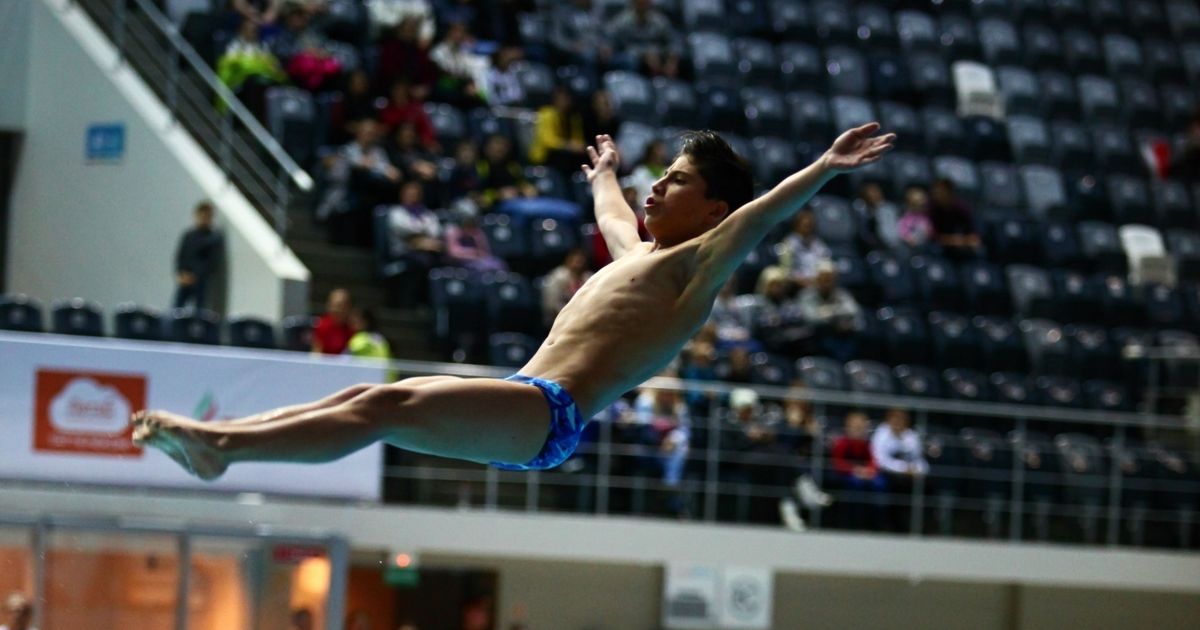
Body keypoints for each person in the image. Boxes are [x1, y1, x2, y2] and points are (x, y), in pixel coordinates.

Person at [131, 123, 895, 480]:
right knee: (372, 397)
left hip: (549, 411)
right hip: (527, 403)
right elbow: (613, 218)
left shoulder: (698, 266)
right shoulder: (644, 257)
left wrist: (823, 167)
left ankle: (221, 449)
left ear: (713, 211)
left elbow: (760, 216)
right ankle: (218, 440)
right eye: (659, 175)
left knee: (385, 408)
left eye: (679, 182)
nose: (657, 187)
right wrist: (604, 174)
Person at [317, 119, 402, 247]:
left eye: (373, 133)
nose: (370, 136)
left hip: (372, 193)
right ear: (359, 133)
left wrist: (385, 169)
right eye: (367, 132)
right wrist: (376, 167)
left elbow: (389, 170)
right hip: (346, 190)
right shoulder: (349, 149)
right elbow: (358, 164)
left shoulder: (378, 151)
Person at [870, 407, 928, 532]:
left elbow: (919, 460)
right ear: (888, 419)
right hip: (886, 473)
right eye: (895, 418)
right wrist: (904, 469)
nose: (898, 422)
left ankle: (919, 526)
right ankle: (888, 525)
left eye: (902, 419)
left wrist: (919, 470)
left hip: (907, 476)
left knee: (925, 485)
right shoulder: (881, 434)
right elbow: (881, 461)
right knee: (893, 486)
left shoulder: (911, 436)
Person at [798, 261, 863, 363]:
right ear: (816, 279)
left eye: (829, 279)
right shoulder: (807, 296)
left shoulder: (841, 294)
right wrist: (836, 320)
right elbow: (811, 318)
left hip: (841, 336)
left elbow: (852, 311)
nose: (826, 282)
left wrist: (827, 311)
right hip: (819, 337)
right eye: (823, 278)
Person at [831, 410, 886, 530]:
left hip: (865, 474)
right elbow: (838, 463)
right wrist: (855, 470)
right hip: (848, 475)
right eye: (855, 427)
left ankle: (877, 521)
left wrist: (869, 471)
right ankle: (854, 521)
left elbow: (874, 462)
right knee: (856, 484)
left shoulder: (867, 444)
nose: (858, 430)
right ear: (848, 427)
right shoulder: (842, 443)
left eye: (861, 427)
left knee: (880, 483)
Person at [607, 0, 682, 78]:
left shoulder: (660, 21)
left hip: (658, 58)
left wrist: (672, 60)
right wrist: (645, 55)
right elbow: (620, 46)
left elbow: (674, 42)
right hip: (633, 59)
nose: (642, 3)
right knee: (628, 60)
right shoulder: (622, 22)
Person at [173, 201, 225, 310]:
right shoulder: (189, 236)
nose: (203, 219)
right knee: (176, 310)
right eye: (201, 216)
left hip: (201, 282)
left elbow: (212, 263)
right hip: (185, 280)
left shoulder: (213, 239)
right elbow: (181, 256)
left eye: (206, 216)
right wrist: (181, 273)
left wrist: (195, 276)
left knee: (199, 312)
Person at [529, 86, 587, 176]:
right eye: (560, 99)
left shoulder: (574, 117)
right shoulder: (546, 113)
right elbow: (547, 141)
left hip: (568, 154)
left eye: (566, 98)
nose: (563, 102)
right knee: (563, 159)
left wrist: (578, 146)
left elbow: (577, 139)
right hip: (546, 155)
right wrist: (567, 145)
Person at [776, 208, 831, 289]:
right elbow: (785, 270)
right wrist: (798, 280)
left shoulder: (819, 244)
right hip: (795, 285)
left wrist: (817, 279)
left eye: (810, 225)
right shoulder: (788, 243)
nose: (809, 228)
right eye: (805, 225)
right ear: (797, 225)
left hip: (817, 283)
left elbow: (826, 263)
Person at [927, 178, 981, 260]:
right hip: (940, 245)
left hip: (959, 244)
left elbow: (974, 237)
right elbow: (933, 236)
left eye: (940, 192)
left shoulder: (961, 209)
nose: (936, 195)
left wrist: (962, 241)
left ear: (949, 192)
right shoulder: (932, 209)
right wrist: (953, 240)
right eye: (935, 192)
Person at [476, 134, 536, 207]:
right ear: (487, 147)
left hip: (517, 201)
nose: (500, 148)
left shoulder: (512, 166)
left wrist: (526, 188)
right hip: (495, 205)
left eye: (504, 145)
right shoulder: (481, 166)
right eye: (497, 143)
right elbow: (478, 193)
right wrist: (498, 194)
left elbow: (521, 183)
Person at [541, 248, 592, 327]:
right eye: (576, 261)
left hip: (584, 319)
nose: (578, 265)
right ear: (568, 261)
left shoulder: (589, 278)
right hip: (560, 320)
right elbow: (552, 304)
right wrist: (570, 316)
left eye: (581, 261)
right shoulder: (557, 277)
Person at [853, 181, 901, 252]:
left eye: (876, 191)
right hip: (867, 246)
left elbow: (892, 232)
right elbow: (863, 233)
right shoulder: (860, 209)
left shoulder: (889, 209)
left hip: (891, 245)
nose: (875, 195)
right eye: (871, 192)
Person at [312, 287, 354, 355]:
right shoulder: (322, 325)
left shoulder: (353, 327)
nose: (336, 310)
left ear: (348, 307)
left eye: (340, 306)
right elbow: (316, 354)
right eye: (333, 305)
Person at [896, 185, 934, 251]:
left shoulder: (926, 217)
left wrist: (928, 232)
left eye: (923, 205)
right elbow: (902, 232)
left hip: (925, 247)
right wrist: (908, 239)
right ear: (909, 205)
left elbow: (930, 230)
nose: (921, 207)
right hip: (909, 248)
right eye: (916, 204)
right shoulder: (906, 218)